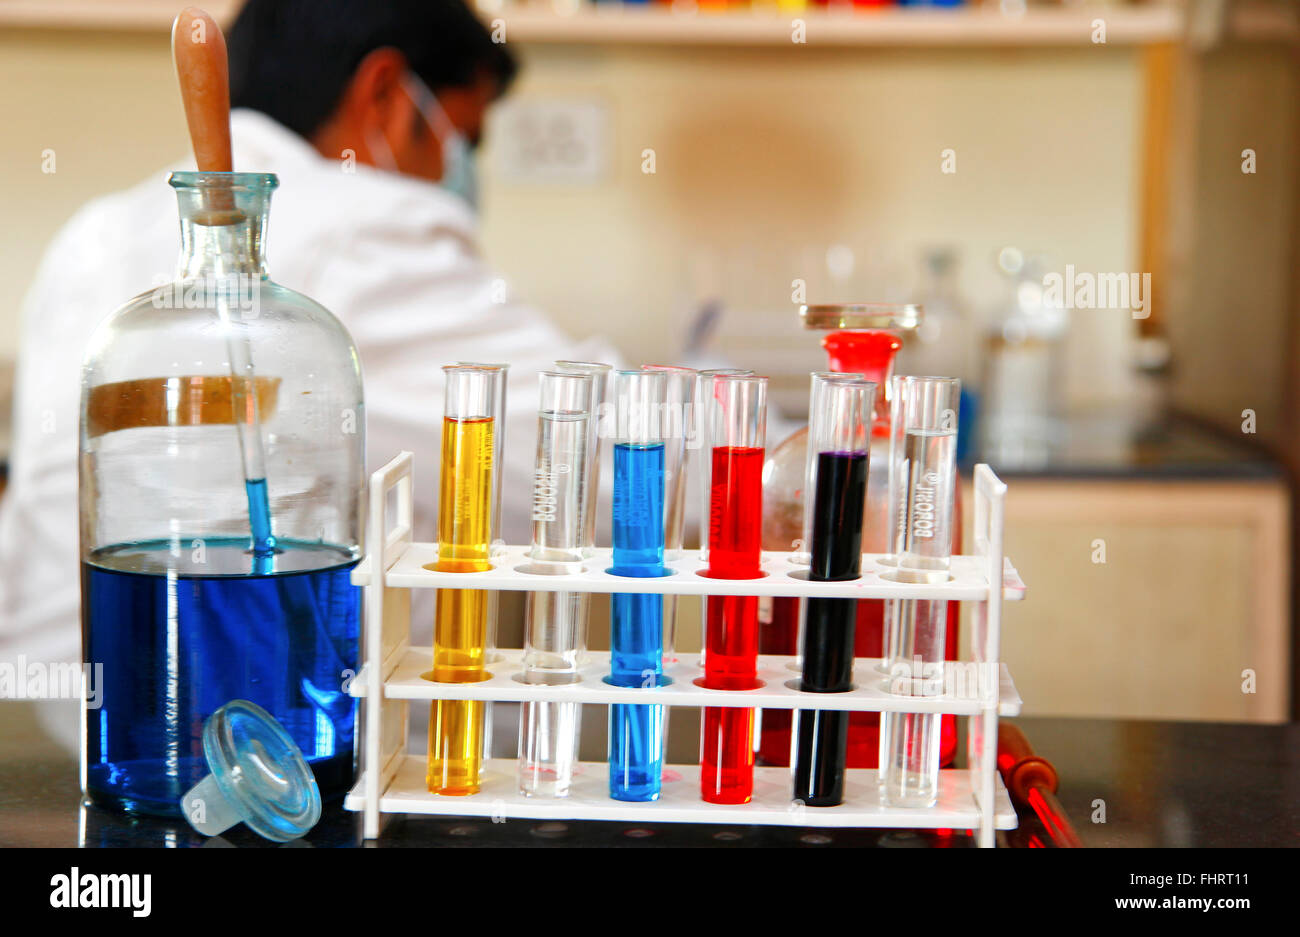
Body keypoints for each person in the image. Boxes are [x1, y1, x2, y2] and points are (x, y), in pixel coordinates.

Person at [0, 0, 619, 674]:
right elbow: (601, 457)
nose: (460, 168)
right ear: (385, 93)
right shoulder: (370, 230)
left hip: (43, 712)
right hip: (250, 735)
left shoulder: (94, 230)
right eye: (462, 138)